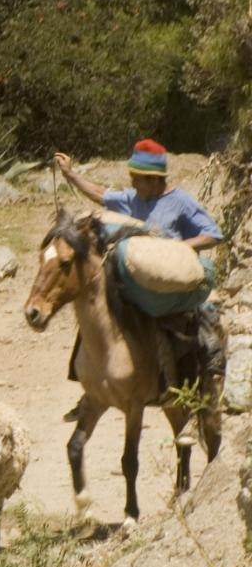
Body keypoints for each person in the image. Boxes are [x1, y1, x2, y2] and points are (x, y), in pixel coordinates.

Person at [54, 139, 224, 422]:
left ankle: (206, 384)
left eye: (137, 178)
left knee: (203, 317)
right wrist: (70, 174)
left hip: (169, 281)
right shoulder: (132, 198)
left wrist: (183, 247)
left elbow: (213, 233)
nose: (132, 182)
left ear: (154, 179)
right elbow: (100, 194)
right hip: (133, 283)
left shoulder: (180, 201)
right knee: (94, 316)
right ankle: (90, 389)